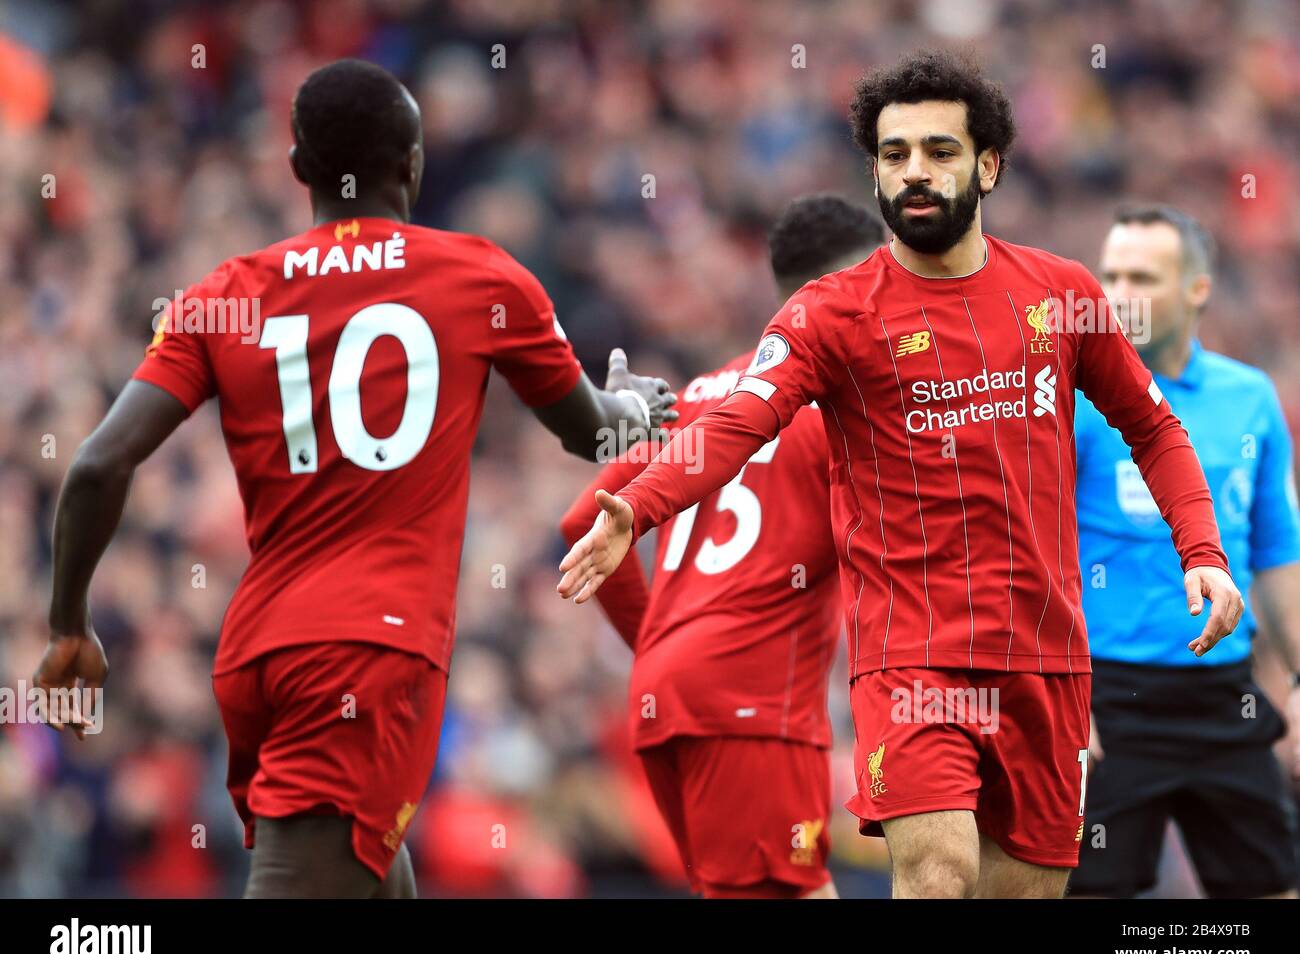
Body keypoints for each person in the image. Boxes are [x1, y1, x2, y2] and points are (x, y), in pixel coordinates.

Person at [557, 50, 1243, 899]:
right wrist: (639, 503)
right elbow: (739, 422)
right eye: (894, 154)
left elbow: (1155, 427)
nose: (915, 171)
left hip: (1045, 658)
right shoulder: (829, 313)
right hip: (911, 658)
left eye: (939, 151)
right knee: (936, 872)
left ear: (987, 164)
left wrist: (1203, 552)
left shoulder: (1060, 294)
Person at [34, 58, 676, 899]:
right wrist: (635, 410)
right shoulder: (482, 278)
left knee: (370, 877)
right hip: (366, 655)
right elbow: (591, 435)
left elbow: (94, 466)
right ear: (413, 164)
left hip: (258, 657)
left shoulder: (223, 296)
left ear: (298, 168)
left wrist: (69, 626)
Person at [560, 194, 883, 899]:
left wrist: (657, 644)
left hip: (665, 698)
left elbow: (584, 519)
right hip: (749, 707)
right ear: (854, 283)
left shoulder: (703, 392)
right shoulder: (843, 402)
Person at [1070, 204, 1300, 899]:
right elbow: (1027, 552)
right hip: (1107, 699)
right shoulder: (1072, 400)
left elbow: (1277, 552)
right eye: (1109, 274)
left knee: (1272, 890)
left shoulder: (1249, 398)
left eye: (1142, 275)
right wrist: (1060, 697)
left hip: (1222, 697)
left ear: (1197, 290)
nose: (1117, 293)